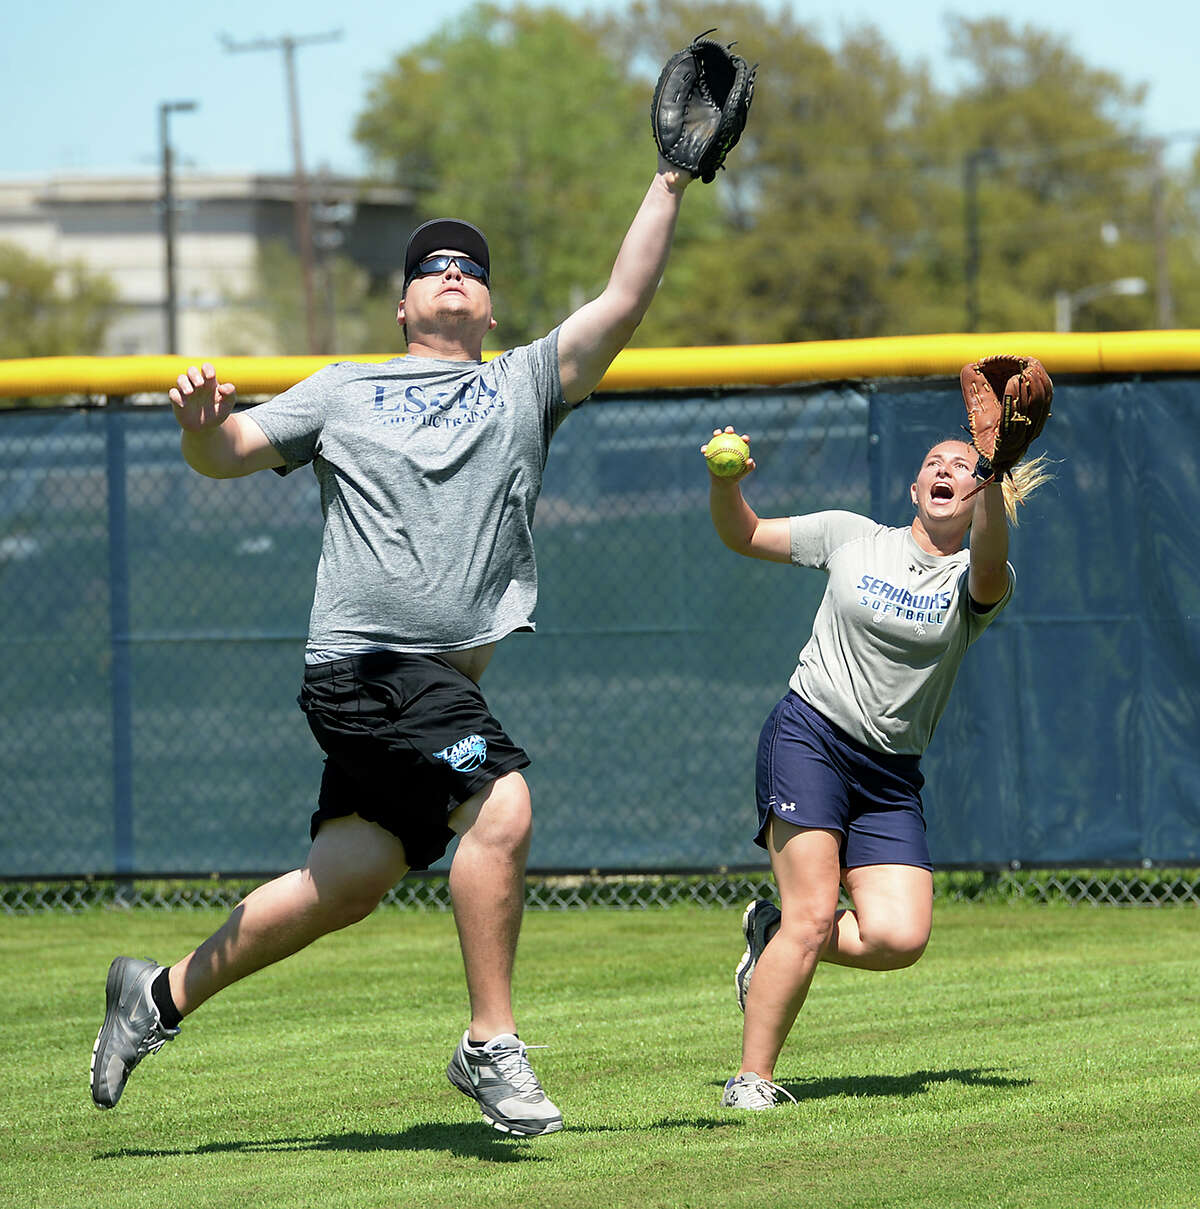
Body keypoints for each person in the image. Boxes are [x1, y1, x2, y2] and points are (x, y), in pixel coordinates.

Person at [89, 155, 695, 1137]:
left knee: (347, 881)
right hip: (367, 669)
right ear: (403, 306)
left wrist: (668, 180)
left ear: (489, 309)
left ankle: (153, 996)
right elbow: (227, 453)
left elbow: (624, 299)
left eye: (471, 268)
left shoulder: (522, 385)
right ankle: (490, 1043)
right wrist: (200, 428)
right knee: (501, 802)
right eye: (431, 267)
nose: (453, 273)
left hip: (431, 689)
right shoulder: (344, 388)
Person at [702, 423, 1052, 1110]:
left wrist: (996, 463)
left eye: (963, 466)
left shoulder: (977, 579)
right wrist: (725, 485)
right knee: (812, 916)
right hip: (811, 737)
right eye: (933, 463)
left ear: (981, 491)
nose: (946, 469)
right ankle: (751, 1078)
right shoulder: (852, 537)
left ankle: (771, 935)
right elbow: (745, 533)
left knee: (899, 936)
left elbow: (990, 556)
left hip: (889, 774)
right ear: (914, 488)